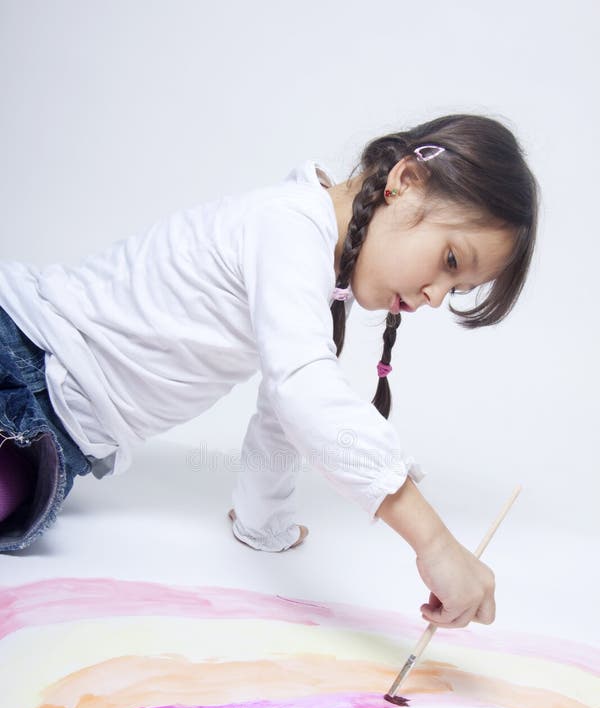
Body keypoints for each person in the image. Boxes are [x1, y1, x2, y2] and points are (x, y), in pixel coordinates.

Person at [0, 113, 538, 628]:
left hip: (52, 428)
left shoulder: (328, 277)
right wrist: (435, 543)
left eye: (458, 290)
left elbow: (283, 409)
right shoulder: (288, 226)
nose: (435, 298)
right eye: (449, 262)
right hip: (26, 355)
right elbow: (303, 392)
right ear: (405, 181)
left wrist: (265, 524)